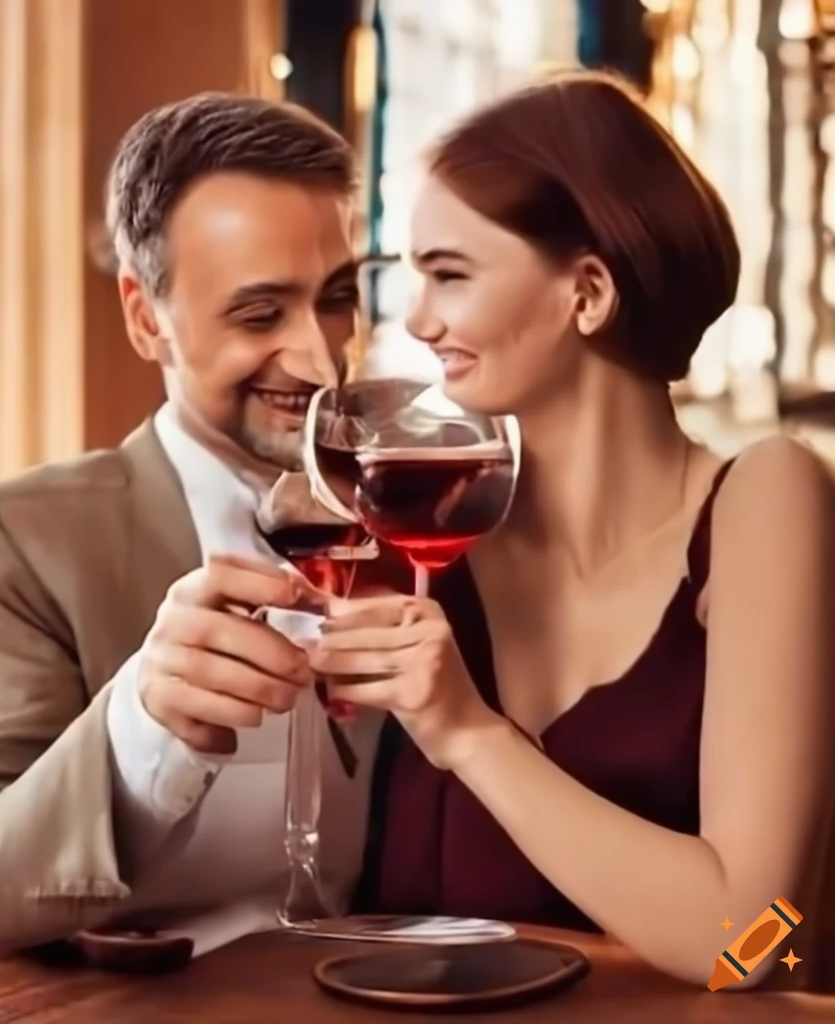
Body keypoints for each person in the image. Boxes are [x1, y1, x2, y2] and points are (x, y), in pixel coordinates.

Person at [310, 72, 835, 987]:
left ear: (587, 292)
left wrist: (469, 733)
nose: (419, 319)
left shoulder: (765, 502)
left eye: (449, 274)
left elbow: (758, 940)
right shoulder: (425, 530)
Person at [0, 93, 385, 951]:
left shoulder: (406, 518)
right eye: (258, 314)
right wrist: (145, 719)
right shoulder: (14, 537)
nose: (322, 359)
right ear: (146, 318)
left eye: (337, 297)